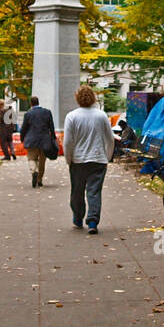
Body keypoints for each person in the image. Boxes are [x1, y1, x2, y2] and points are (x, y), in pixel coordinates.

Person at [62, 84, 115, 233]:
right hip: (98, 160)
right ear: (93, 98)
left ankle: (78, 218)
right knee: (94, 191)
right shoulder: (101, 115)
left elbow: (68, 141)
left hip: (78, 161)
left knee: (77, 191)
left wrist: (68, 159)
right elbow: (109, 139)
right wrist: (108, 157)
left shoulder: (72, 116)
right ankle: (92, 222)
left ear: (77, 98)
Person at [19, 95, 57, 188]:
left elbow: (24, 128)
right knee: (42, 161)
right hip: (44, 141)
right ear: (38, 102)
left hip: (31, 141)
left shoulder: (28, 114)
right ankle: (39, 179)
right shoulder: (47, 112)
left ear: (31, 103)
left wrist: (22, 138)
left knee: (32, 159)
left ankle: (33, 171)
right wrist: (53, 137)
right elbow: (51, 126)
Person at [0, 96, 17, 160]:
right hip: (10, 128)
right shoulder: (10, 109)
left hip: (4, 128)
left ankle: (7, 156)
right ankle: (13, 152)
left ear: (0, 104)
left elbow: (0, 119)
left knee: (3, 142)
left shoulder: (2, 110)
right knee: (10, 141)